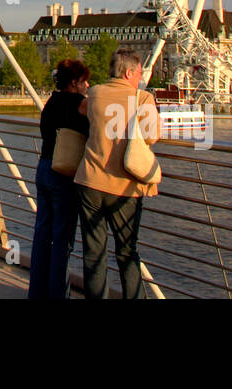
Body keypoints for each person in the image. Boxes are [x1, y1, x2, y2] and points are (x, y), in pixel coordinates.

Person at [75, 48, 160, 299]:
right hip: (124, 186)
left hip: (90, 181)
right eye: (140, 73)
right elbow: (152, 136)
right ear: (129, 72)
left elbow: (82, 111)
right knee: (126, 252)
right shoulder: (142, 98)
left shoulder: (96, 92)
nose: (141, 78)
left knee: (93, 253)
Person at [27, 58, 90, 299]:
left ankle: (37, 292)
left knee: (42, 234)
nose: (87, 86)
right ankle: (57, 295)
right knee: (62, 239)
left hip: (43, 167)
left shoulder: (50, 102)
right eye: (84, 81)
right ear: (74, 83)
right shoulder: (80, 105)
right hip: (63, 173)